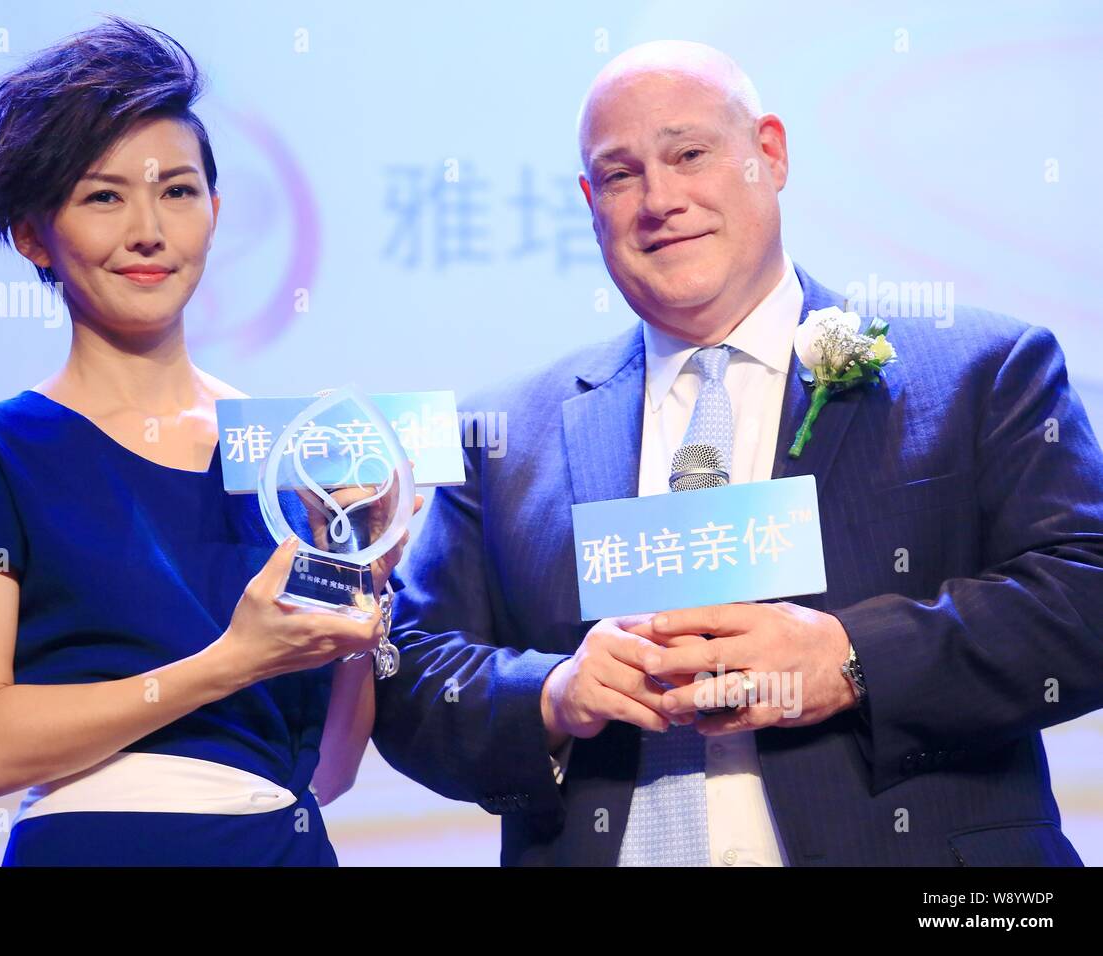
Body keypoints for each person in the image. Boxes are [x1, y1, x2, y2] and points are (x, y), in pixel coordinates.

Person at [371, 40, 1103, 866]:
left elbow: (1087, 591)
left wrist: (851, 658)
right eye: (620, 175)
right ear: (588, 201)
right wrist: (553, 695)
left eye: (690, 154)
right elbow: (409, 676)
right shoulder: (505, 433)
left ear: (770, 153)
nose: (661, 199)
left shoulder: (976, 368)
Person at [0, 17, 416, 866]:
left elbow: (329, 768)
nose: (148, 231)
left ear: (215, 208)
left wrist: (366, 592)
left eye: (176, 190)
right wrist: (227, 663)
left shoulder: (290, 455)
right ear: (30, 233)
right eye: (103, 196)